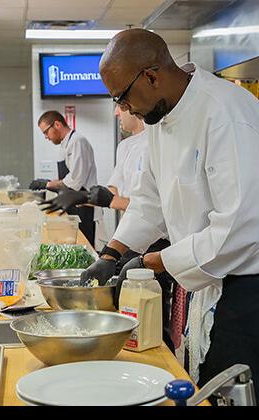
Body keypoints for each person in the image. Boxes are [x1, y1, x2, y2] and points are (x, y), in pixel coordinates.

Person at [80, 29, 259, 406]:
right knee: (207, 391)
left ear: (151, 75)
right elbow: (151, 198)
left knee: (243, 398)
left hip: (258, 289)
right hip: (215, 280)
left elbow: (241, 229)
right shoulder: (161, 119)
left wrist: (154, 261)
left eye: (122, 97)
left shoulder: (226, 113)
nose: (123, 109)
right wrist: (111, 254)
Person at [41, 105, 178, 351]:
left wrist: (109, 202)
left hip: (157, 244)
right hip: (127, 238)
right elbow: (113, 191)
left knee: (154, 319)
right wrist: (84, 197)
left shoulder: (157, 142)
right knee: (127, 313)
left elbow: (152, 207)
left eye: (119, 106)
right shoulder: (125, 146)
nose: (115, 113)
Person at [29, 110, 98, 246]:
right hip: (72, 204)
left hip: (83, 206)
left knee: (83, 248)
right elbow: (67, 179)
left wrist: (48, 184)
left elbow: (75, 181)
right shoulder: (66, 144)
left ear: (57, 124)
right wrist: (51, 184)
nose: (46, 137)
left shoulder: (77, 142)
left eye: (46, 132)